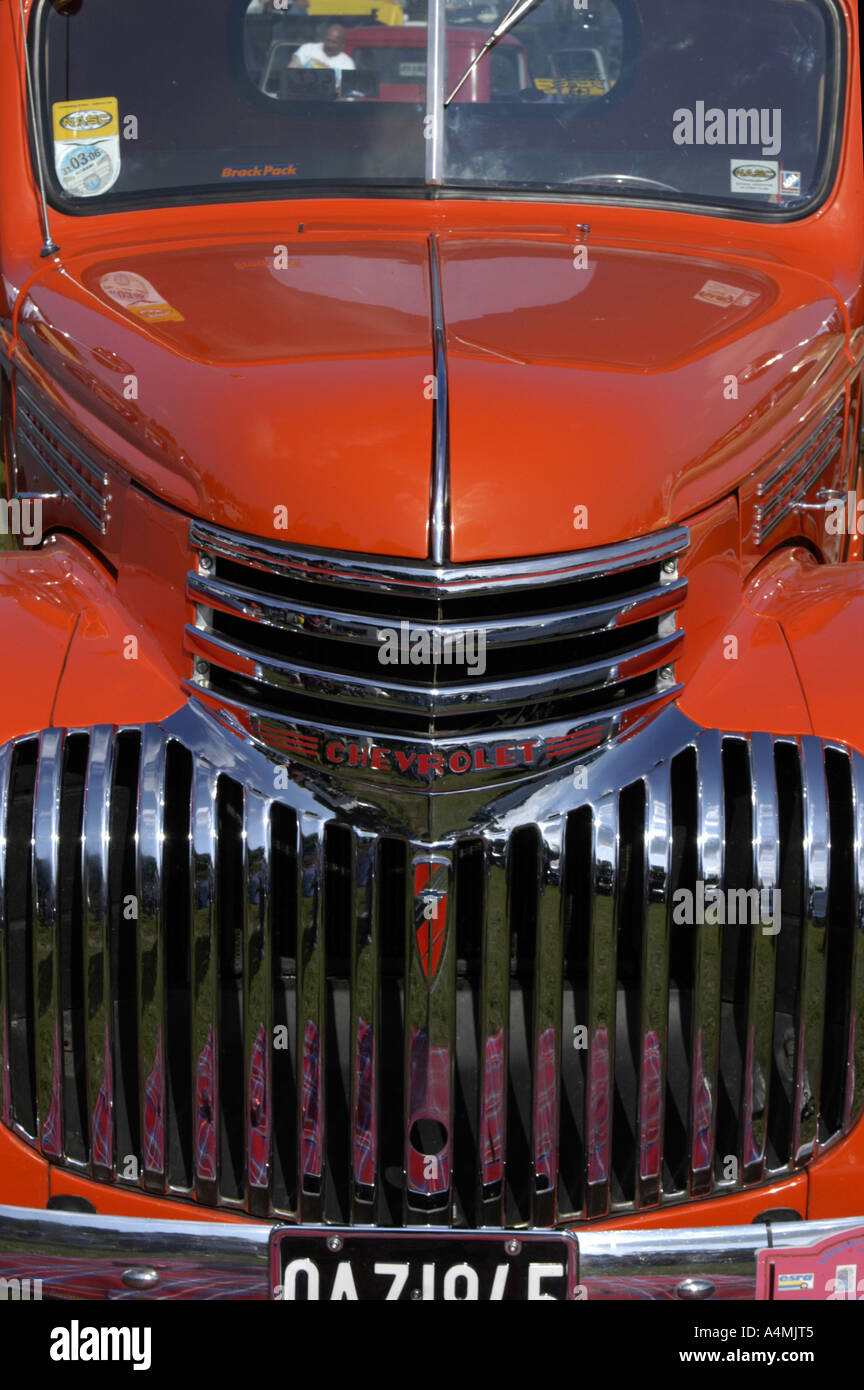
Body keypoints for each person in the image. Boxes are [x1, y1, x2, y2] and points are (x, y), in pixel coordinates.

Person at [289, 24, 356, 89]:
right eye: (328, 40)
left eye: (334, 42)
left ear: (343, 44)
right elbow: (290, 73)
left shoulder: (348, 64)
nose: (329, 45)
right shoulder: (307, 49)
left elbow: (346, 89)